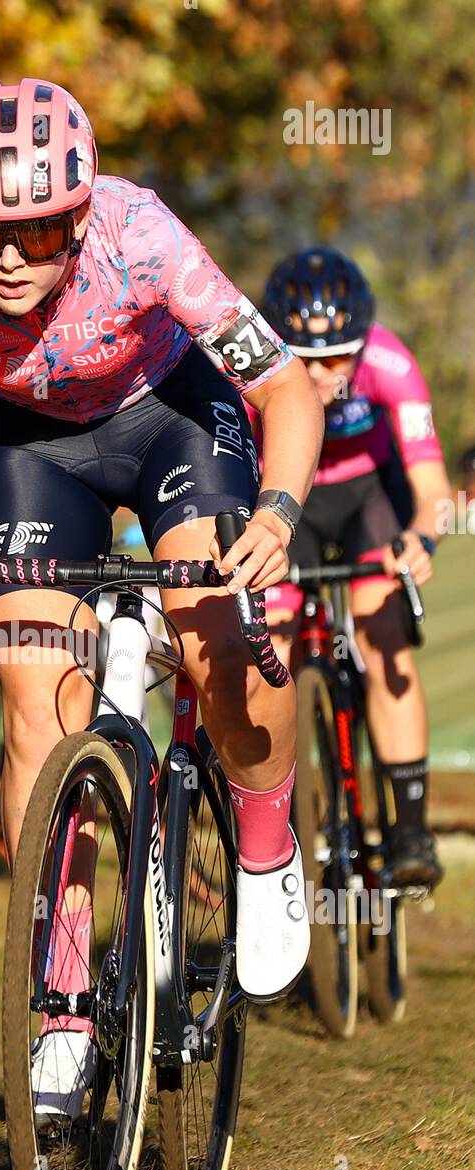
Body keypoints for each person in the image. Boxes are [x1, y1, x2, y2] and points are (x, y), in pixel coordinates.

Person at [0, 79, 324, 1117]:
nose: (5, 257)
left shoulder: (140, 232)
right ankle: (64, 996)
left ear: (76, 212)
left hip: (171, 416)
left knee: (210, 636)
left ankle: (264, 841)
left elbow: (283, 386)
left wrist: (274, 510)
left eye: (34, 229)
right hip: (32, 445)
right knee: (33, 696)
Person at [260, 248, 450, 888]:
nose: (321, 375)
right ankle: (269, 826)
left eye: (339, 357)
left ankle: (410, 830)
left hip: (368, 494)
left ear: (364, 345)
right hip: (290, 496)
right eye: (305, 360)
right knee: (272, 646)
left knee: (381, 629)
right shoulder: (248, 371)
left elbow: (432, 488)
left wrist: (421, 536)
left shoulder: (393, 363)